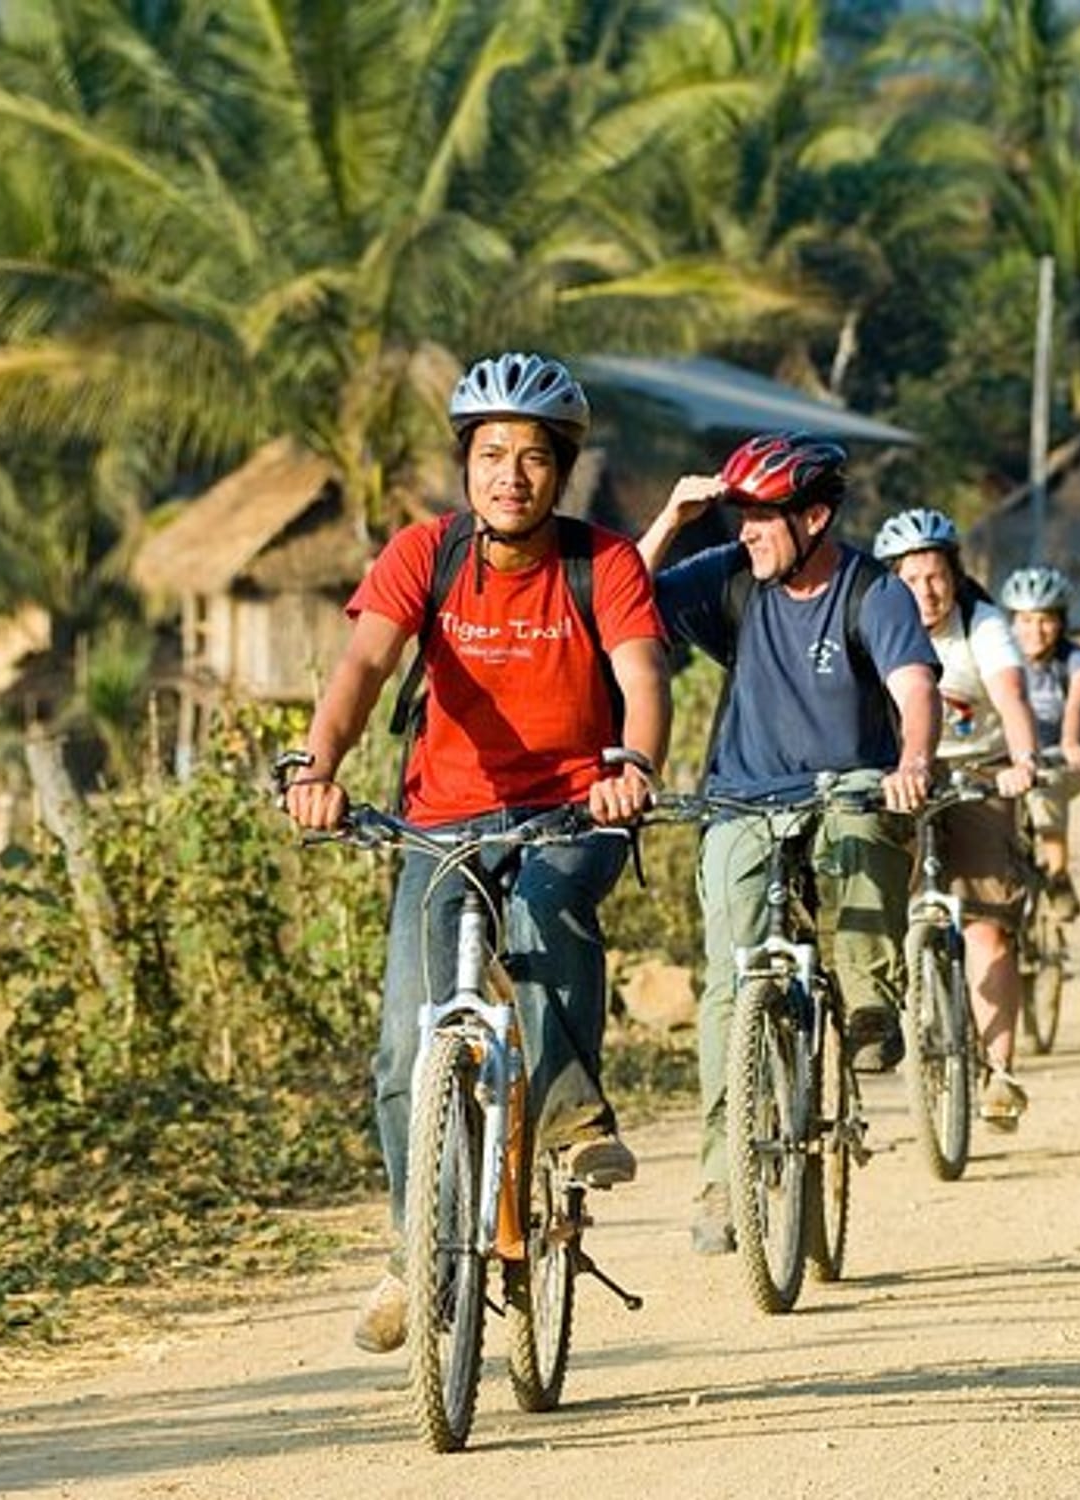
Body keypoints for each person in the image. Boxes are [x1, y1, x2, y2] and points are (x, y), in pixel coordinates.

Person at [285, 351, 670, 1352]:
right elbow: (363, 666)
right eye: (492, 454)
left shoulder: (604, 564)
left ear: (563, 469)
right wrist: (315, 769)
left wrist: (631, 767)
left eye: (534, 457)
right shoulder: (426, 554)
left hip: (571, 813)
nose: (511, 475)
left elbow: (641, 677)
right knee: (404, 1050)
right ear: (466, 463)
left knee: (543, 908)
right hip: (441, 823)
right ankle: (413, 1250)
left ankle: (575, 1119)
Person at [638, 432, 941, 1254]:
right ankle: (722, 1175)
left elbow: (915, 688)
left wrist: (913, 762)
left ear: (814, 518)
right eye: (739, 516)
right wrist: (671, 519)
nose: (746, 532)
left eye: (763, 517)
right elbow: (622, 605)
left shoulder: (872, 592)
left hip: (849, 789)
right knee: (730, 985)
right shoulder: (732, 577)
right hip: (742, 798)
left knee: (864, 829)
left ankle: (869, 1003)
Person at [872, 508, 1039, 1131]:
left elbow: (1011, 697)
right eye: (912, 579)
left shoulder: (983, 624)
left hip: (980, 772)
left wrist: (1023, 761)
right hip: (898, 777)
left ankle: (999, 1072)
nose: (926, 591)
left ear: (957, 576)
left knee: (987, 925)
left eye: (937, 576)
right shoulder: (874, 623)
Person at [1000, 565, 1080, 921]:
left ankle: (1059, 877)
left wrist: (1071, 743)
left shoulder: (1076, 661)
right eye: (1025, 620)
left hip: (1058, 759)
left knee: (1045, 791)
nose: (1035, 631)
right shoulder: (999, 657)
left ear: (1061, 622)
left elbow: (1076, 707)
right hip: (1006, 757)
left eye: (1046, 620)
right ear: (1011, 622)